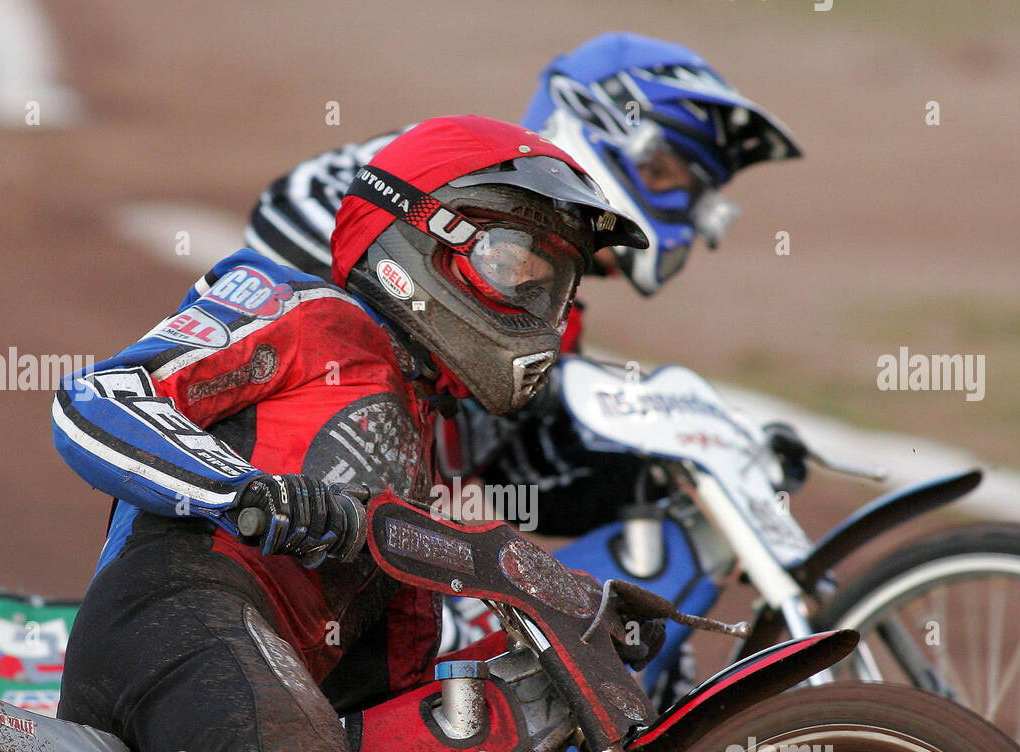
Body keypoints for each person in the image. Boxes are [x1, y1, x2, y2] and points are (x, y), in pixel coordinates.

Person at [34, 115, 647, 752]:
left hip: (267, 673)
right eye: (521, 263)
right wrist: (238, 491)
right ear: (427, 237)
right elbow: (101, 396)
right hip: (177, 603)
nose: (539, 303)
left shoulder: (422, 434)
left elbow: (386, 673)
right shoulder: (303, 309)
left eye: (553, 283)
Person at [246, 32, 804, 553]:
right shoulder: (431, 168)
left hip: (402, 539)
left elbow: (512, 481)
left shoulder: (555, 307)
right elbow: (282, 235)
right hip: (291, 522)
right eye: (665, 175)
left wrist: (662, 464)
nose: (683, 212)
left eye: (697, 196)